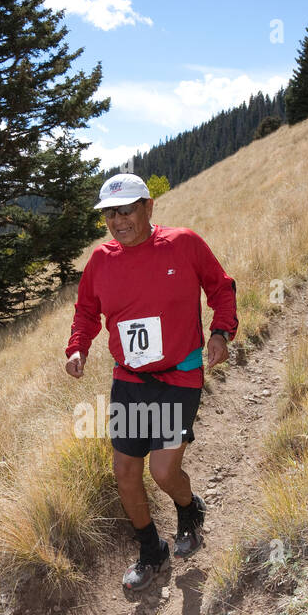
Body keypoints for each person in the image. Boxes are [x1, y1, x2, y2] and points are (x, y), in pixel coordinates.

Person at [64, 173, 238, 592]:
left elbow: (221, 287)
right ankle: (150, 550)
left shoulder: (184, 244)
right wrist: (78, 347)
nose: (118, 220)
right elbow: (87, 311)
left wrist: (220, 332)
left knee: (162, 471)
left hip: (179, 375)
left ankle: (187, 508)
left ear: (149, 206)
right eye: (109, 213)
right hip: (129, 379)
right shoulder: (101, 260)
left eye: (126, 210)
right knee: (125, 471)